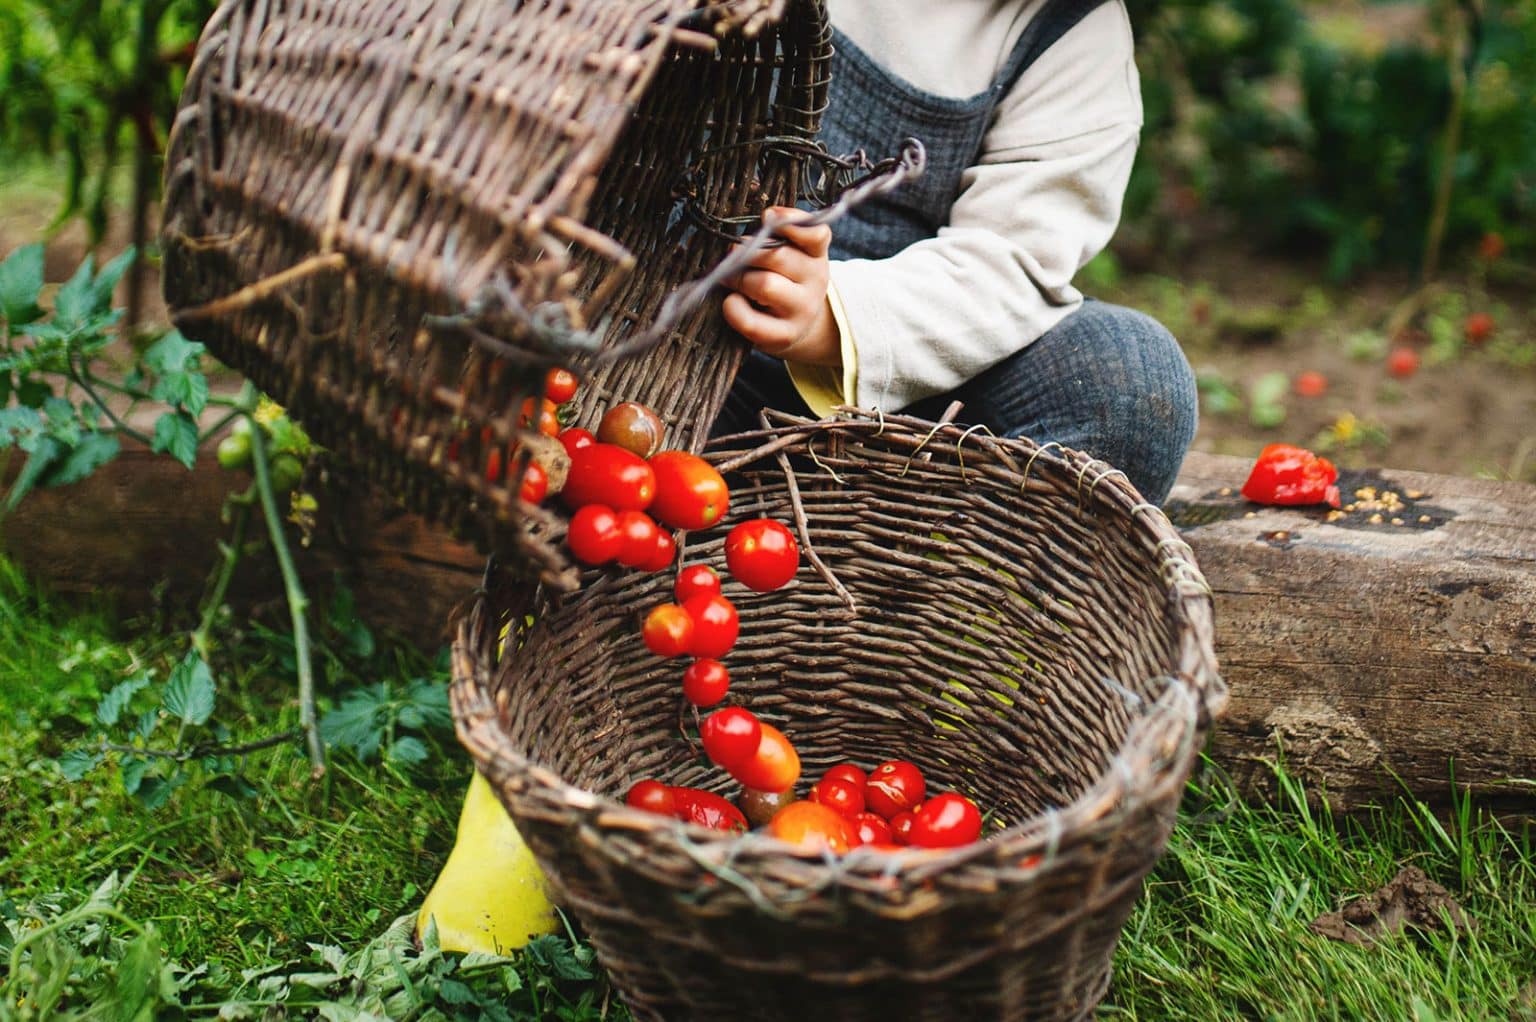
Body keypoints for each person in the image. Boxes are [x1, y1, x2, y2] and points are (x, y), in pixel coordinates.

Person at [713, 0, 1197, 505]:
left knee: (1128, 376)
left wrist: (830, 318)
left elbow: (1011, 259)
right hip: (688, 335)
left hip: (904, 384)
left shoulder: (1074, 33)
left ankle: (916, 543)